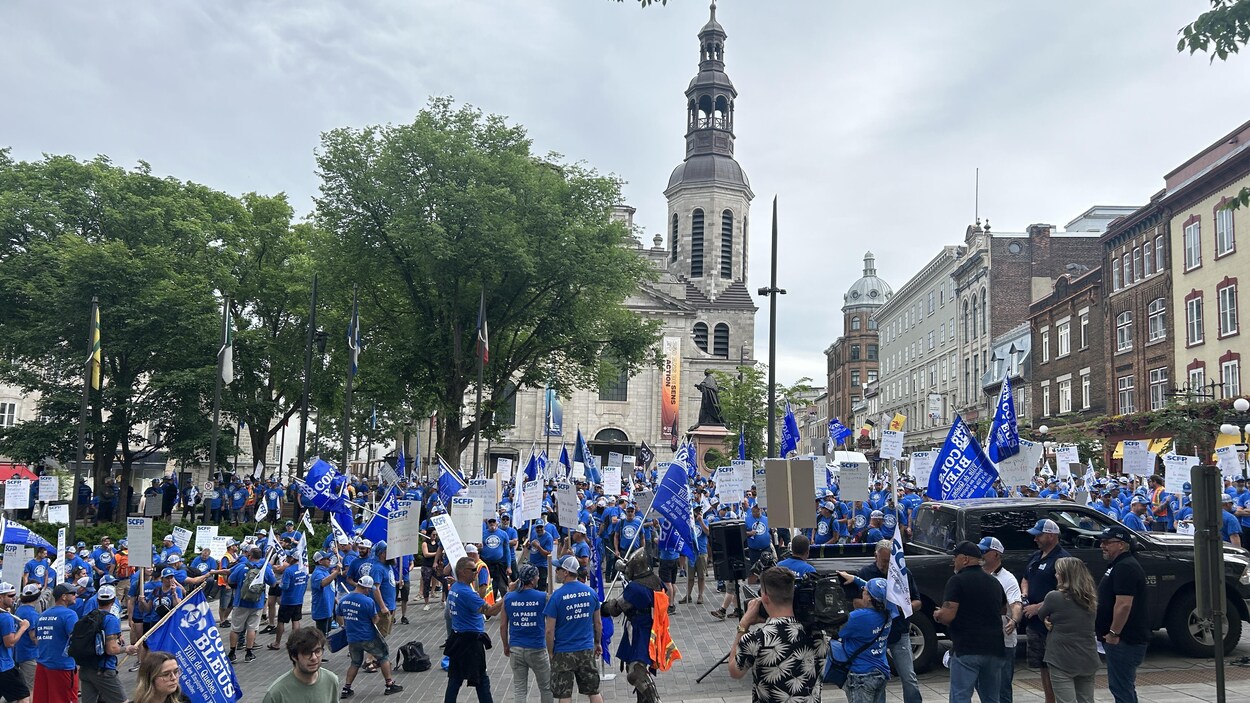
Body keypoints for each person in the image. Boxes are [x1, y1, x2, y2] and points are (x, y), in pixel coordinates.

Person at [729, 566, 827, 703]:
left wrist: (743, 625)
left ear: (765, 596)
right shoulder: (818, 634)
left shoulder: (757, 639)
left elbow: (735, 671)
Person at [849, 541, 921, 703]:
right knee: (878, 677)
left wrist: (904, 607)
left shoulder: (903, 574)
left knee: (909, 676)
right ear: (876, 556)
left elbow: (917, 602)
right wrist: (877, 607)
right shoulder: (865, 573)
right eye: (884, 561)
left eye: (890, 562)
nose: (887, 565)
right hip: (875, 635)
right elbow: (855, 603)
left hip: (898, 631)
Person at [933, 541, 1005, 703]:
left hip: (968, 648)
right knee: (992, 698)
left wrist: (938, 614)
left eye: (955, 557)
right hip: (994, 649)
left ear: (965, 559)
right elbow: (1003, 609)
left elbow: (948, 616)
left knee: (961, 697)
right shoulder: (994, 582)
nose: (953, 561)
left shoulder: (957, 581)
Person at [602, 552, 667, 703]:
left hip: (641, 629)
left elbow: (616, 608)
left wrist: (602, 607)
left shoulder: (635, 588)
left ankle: (654, 700)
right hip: (652, 627)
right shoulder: (655, 580)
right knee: (634, 666)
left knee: (636, 671)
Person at [1095, 526, 1149, 703]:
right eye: (1102, 542)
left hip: (1124, 639)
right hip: (1120, 639)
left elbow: (1124, 604)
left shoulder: (1126, 567)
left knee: (1121, 688)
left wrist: (1113, 633)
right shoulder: (1118, 565)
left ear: (1121, 544)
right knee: (1122, 687)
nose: (1102, 546)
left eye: (1107, 542)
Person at [1021, 519, 1071, 703]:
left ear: (1051, 536)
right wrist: (1025, 595)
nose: (1035, 539)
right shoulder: (1036, 556)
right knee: (1043, 666)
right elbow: (1025, 578)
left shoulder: (1062, 560)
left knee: (1056, 667)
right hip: (1035, 623)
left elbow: (1066, 591)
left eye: (1039, 535)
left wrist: (1039, 607)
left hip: (1053, 624)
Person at [1038, 558, 1099, 703]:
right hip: (1087, 656)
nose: (1055, 575)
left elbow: (1041, 614)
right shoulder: (1090, 598)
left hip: (1061, 657)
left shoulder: (1054, 597)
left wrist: (1047, 620)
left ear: (1065, 576)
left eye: (1058, 572)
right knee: (1086, 699)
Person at [543, 556, 603, 703]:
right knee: (593, 691)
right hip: (586, 648)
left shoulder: (557, 597)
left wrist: (550, 652)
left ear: (565, 572)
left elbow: (549, 630)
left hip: (563, 650)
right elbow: (598, 623)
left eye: (558, 569)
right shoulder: (590, 593)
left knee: (564, 695)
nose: (556, 572)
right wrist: (597, 643)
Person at [445, 556, 504, 703]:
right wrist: (508, 596)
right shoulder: (467, 593)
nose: (476, 572)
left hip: (457, 638)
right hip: (470, 642)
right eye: (473, 570)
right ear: (463, 572)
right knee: (481, 679)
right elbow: (491, 611)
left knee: (455, 679)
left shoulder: (455, 588)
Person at [828, 575, 893, 703]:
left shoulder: (859, 617)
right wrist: (855, 579)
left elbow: (833, 631)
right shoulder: (889, 612)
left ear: (869, 598)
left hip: (862, 674)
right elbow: (881, 592)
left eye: (864, 590)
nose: (862, 590)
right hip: (881, 671)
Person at [336, 575, 402, 698]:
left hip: (352, 638)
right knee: (383, 657)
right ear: (366, 588)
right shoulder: (368, 601)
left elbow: (338, 615)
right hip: (367, 636)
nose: (369, 591)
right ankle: (389, 684)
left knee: (355, 662)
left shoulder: (344, 599)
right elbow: (375, 619)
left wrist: (344, 625)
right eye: (369, 589)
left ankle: (346, 688)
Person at [501, 564, 553, 703]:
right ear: (532, 580)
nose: (538, 578)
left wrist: (506, 645)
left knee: (520, 689)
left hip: (516, 648)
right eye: (537, 576)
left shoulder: (508, 598)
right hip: (537, 648)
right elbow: (551, 623)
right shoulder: (543, 597)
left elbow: (503, 626)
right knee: (546, 687)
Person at [979, 537, 1022, 703]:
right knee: (982, 685)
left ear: (996, 554)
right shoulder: (977, 575)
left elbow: (1016, 604)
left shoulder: (1008, 579)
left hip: (1003, 640)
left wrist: (1014, 620)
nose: (981, 554)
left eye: (984, 551)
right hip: (980, 639)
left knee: (1002, 687)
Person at [262, 627, 338, 703]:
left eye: (318, 651)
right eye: (307, 653)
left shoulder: (331, 681)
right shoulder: (276, 693)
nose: (314, 658)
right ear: (294, 656)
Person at [227, 546, 276, 664]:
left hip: (240, 602)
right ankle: (248, 653)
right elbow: (273, 583)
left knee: (235, 629)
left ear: (250, 555)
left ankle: (232, 653)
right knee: (252, 628)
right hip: (257, 603)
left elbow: (230, 580)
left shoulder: (241, 567)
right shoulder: (265, 568)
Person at [77, 585, 125, 703]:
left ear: (97, 600)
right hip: (103, 669)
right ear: (113, 601)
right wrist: (127, 649)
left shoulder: (88, 617)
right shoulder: (110, 619)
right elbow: (111, 649)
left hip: (85, 668)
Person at [33, 583, 79, 703]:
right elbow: (76, 639)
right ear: (64, 596)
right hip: (62, 666)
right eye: (73, 593)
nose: (76, 595)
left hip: (42, 664)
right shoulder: (69, 614)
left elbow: (37, 639)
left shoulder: (42, 615)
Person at [0, 582, 31, 703]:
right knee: (23, 696)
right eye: (10, 596)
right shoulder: (6, 617)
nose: (14, 598)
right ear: (1, 597)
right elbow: (9, 643)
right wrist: (23, 627)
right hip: (4, 666)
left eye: (14, 595)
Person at [270, 554, 308, 650]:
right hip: (298, 599)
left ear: (292, 558)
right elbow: (305, 583)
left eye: (288, 557)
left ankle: (277, 643)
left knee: (281, 621)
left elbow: (285, 586)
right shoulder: (304, 569)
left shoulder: (289, 570)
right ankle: (296, 643)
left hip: (288, 600)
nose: (286, 559)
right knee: (296, 620)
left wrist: (279, 585)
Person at [14, 585, 39, 692]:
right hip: (30, 654)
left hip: (19, 652)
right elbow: (33, 637)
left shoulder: (19, 610)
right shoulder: (32, 614)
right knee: (31, 688)